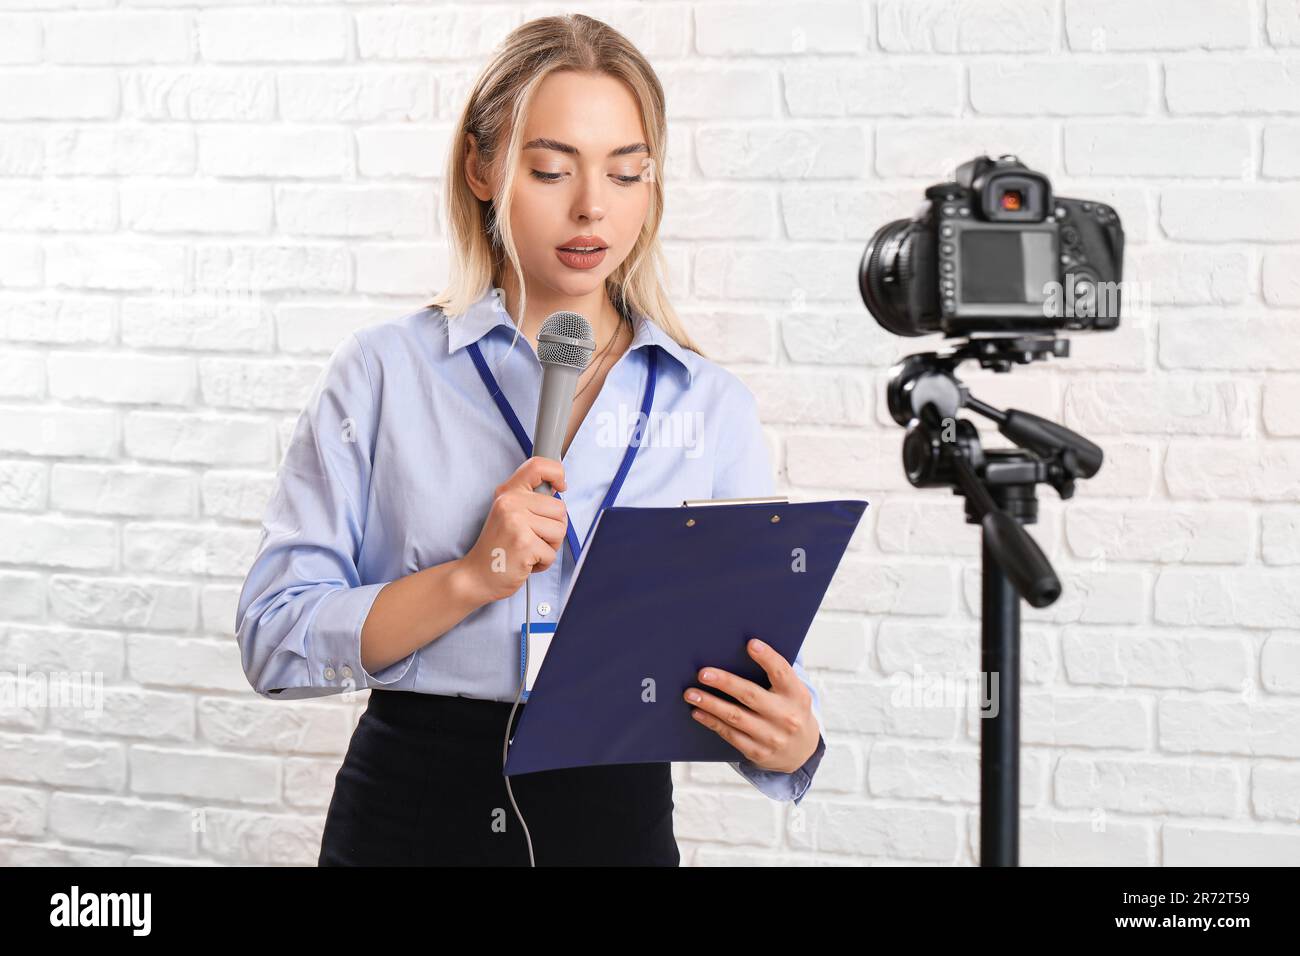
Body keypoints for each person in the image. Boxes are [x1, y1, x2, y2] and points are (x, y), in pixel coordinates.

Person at [235, 13, 826, 867]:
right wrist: (472, 578)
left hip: (615, 819)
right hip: (411, 814)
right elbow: (273, 637)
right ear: (481, 167)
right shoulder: (383, 373)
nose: (592, 206)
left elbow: (753, 665)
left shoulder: (711, 405)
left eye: (626, 174)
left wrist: (791, 743)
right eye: (551, 170)